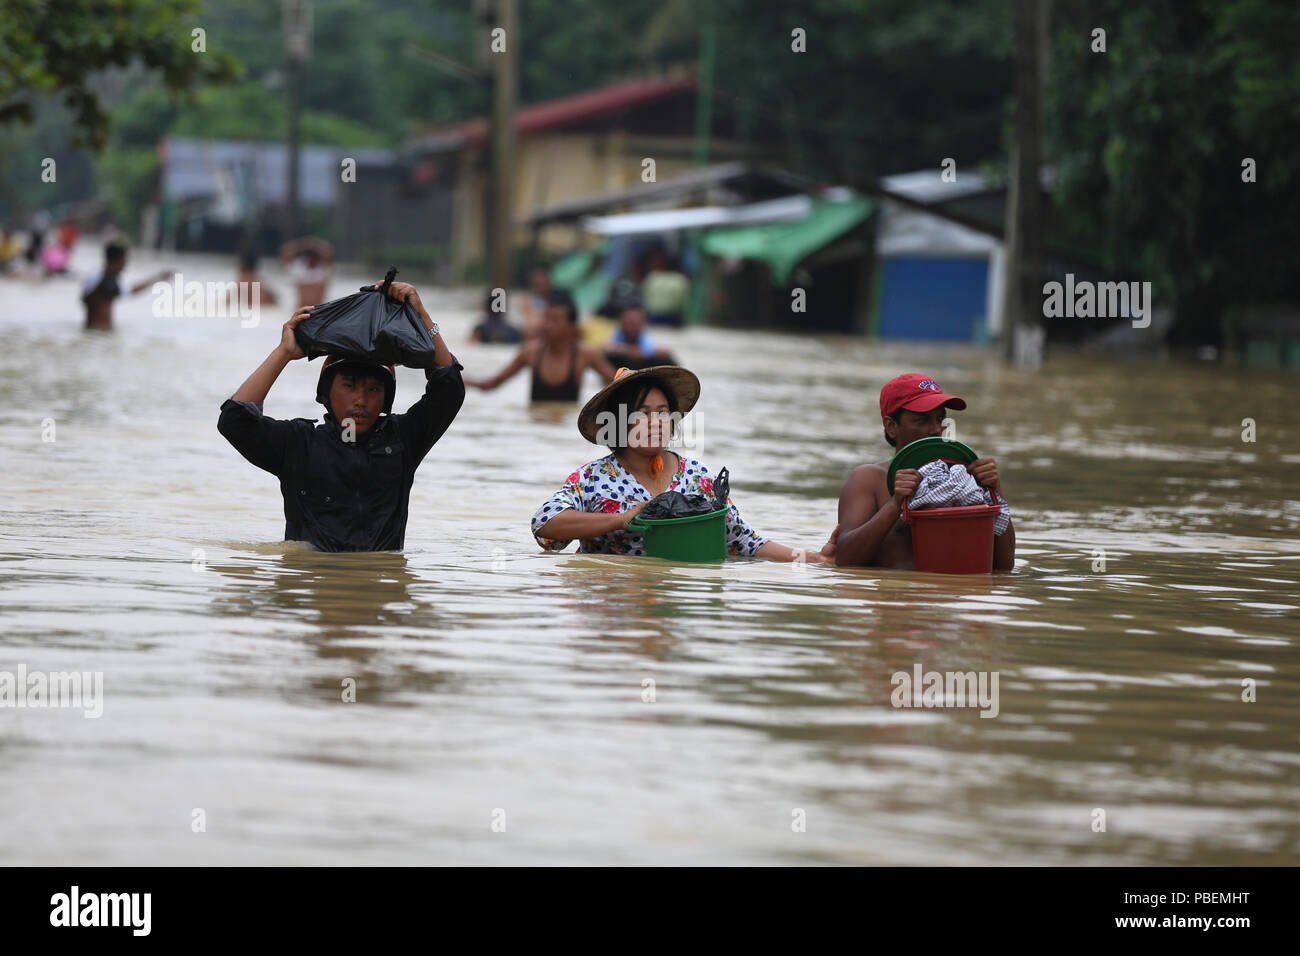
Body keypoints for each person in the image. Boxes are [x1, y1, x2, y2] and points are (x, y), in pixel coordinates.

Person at [216, 281, 465, 553]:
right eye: (349, 386)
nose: (361, 400)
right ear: (326, 391)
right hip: (310, 585)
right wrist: (283, 353)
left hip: (380, 588)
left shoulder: (404, 440)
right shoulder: (298, 444)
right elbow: (234, 420)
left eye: (373, 389)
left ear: (386, 399)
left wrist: (422, 317)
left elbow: (449, 388)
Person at [532, 366, 838, 562]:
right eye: (642, 413)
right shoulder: (592, 478)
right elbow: (544, 525)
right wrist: (621, 519)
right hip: (614, 602)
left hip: (678, 600)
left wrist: (811, 558)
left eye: (662, 411)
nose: (655, 422)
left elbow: (743, 541)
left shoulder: (697, 476)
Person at [834, 373, 1015, 571]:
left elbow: (1003, 567)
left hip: (952, 599)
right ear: (892, 427)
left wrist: (995, 493)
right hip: (898, 597)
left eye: (940, 419)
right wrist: (895, 505)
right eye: (922, 420)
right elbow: (845, 560)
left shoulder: (965, 481)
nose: (936, 429)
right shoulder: (868, 479)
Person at [464, 289, 617, 402]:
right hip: (536, 429)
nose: (548, 325)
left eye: (555, 320)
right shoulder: (530, 351)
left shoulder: (586, 353)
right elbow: (493, 383)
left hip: (568, 430)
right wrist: (465, 382)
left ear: (572, 327)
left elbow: (616, 382)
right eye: (547, 319)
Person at [81, 241, 170, 331]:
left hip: (105, 331)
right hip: (93, 330)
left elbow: (130, 290)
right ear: (116, 260)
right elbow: (84, 299)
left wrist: (156, 280)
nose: (125, 264)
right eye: (124, 260)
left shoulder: (113, 279)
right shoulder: (96, 276)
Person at [604, 301, 672, 366]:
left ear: (644, 323)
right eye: (629, 322)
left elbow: (642, 353)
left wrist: (622, 349)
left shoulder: (644, 337)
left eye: (636, 323)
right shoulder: (617, 332)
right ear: (621, 321)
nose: (632, 327)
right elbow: (606, 347)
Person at [279, 236, 334, 308]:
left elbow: (329, 253)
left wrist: (314, 244)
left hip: (319, 309)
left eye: (314, 259)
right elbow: (285, 252)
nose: (311, 261)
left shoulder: (323, 271)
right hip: (301, 309)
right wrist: (304, 244)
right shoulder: (299, 270)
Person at [641, 250, 689, 327]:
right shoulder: (680, 279)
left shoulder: (652, 278)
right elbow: (683, 303)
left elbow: (645, 299)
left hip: (654, 316)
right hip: (673, 318)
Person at [518, 265, 552, 341]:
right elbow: (528, 327)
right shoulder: (527, 301)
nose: (540, 281)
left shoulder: (557, 300)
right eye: (537, 282)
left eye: (543, 277)